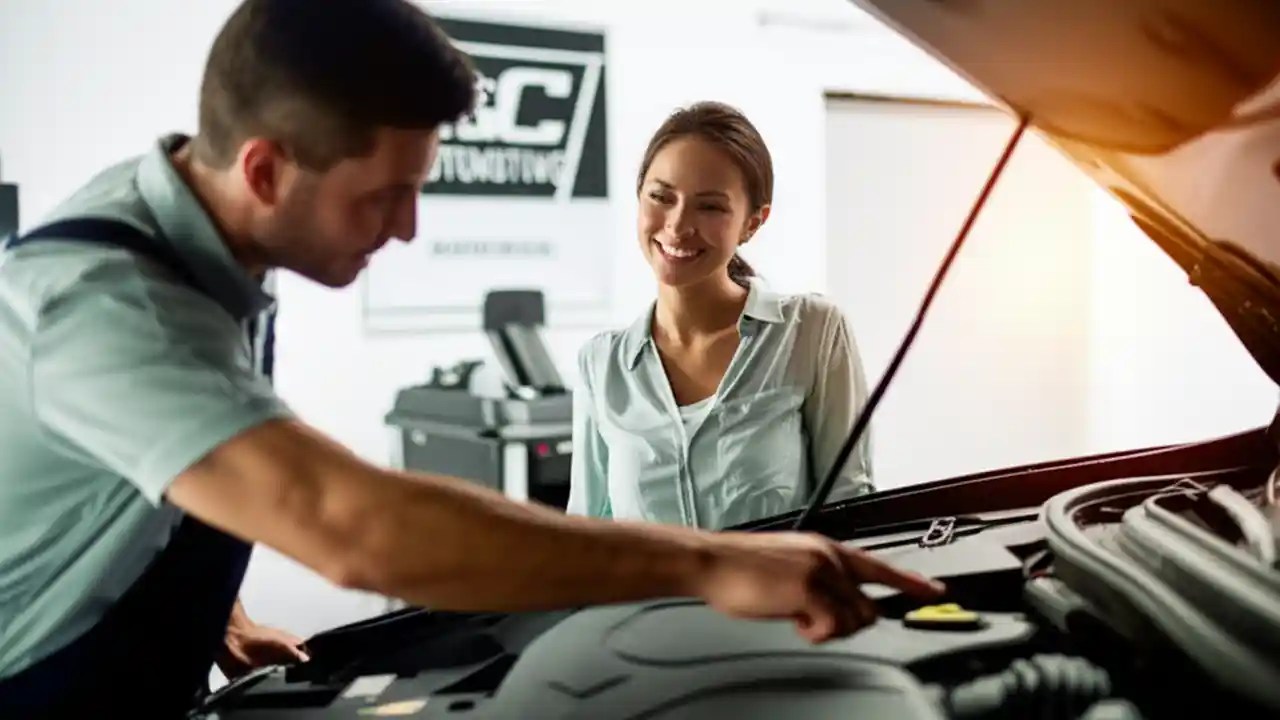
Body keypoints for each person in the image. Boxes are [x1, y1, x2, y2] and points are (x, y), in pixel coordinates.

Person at [0, 1, 942, 715]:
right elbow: (351, 526)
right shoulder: (110, 302)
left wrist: (220, 613)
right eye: (383, 197)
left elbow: (148, 474)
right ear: (264, 170)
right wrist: (711, 564)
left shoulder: (204, 237)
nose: (407, 230)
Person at [567, 102, 874, 530]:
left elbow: (850, 510)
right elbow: (586, 532)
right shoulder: (600, 364)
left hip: (775, 599)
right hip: (641, 601)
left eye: (709, 207)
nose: (677, 225)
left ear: (753, 222)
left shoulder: (812, 331)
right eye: (661, 196)